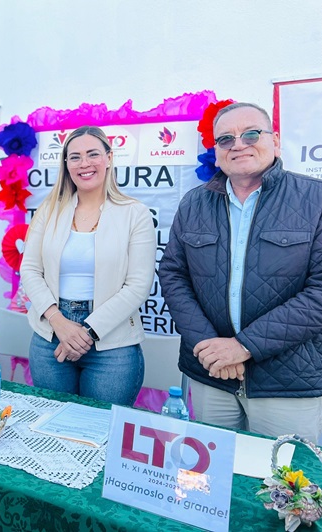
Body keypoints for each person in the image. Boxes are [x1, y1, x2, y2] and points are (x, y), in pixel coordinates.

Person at [159, 102, 322, 441]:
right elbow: (174, 275)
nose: (238, 144)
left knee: (282, 489)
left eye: (251, 133)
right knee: (208, 485)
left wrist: (243, 346)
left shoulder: (315, 199)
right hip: (211, 375)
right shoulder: (193, 203)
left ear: (275, 141)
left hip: (288, 383)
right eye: (226, 139)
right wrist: (207, 344)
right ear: (216, 152)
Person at [20, 126, 155, 406]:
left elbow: (138, 286)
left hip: (112, 344)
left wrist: (87, 332)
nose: (85, 164)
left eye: (93, 154)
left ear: (108, 158)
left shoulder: (135, 214)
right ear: (66, 165)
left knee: (100, 433)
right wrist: (60, 323)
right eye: (75, 157)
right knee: (51, 427)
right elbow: (30, 270)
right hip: (50, 336)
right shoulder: (49, 210)